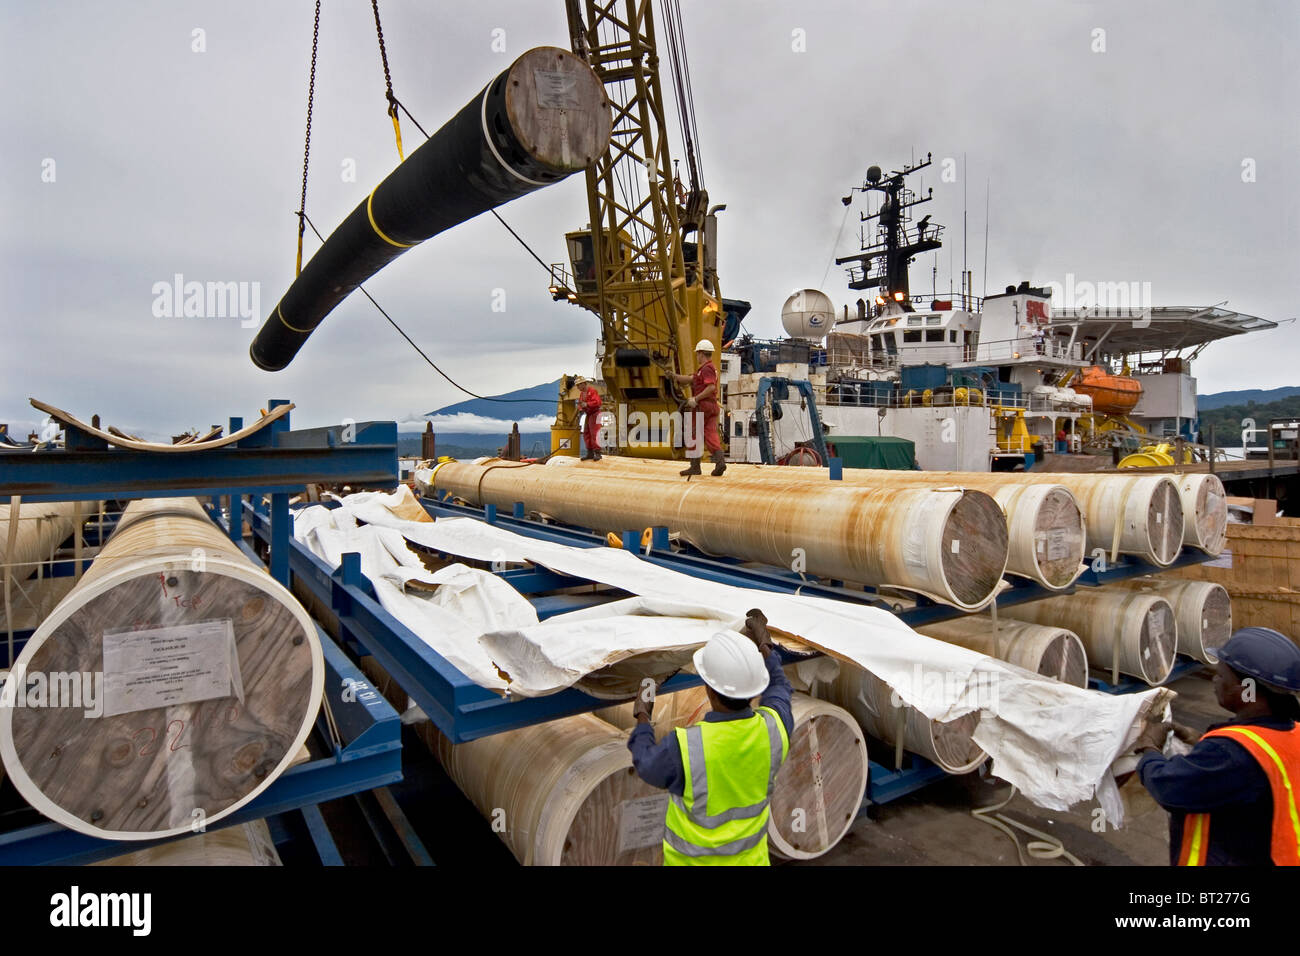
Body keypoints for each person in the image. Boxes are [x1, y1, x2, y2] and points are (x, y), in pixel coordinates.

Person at [628, 609, 792, 865]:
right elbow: (780, 689)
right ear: (753, 689)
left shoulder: (685, 748)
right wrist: (764, 646)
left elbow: (647, 764)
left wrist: (642, 717)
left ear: (709, 689)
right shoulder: (774, 731)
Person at [1135, 626, 1300, 866]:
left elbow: (1169, 787)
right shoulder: (1290, 731)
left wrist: (1149, 748)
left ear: (1248, 690)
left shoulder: (1231, 754)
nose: (1214, 680)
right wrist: (1202, 739)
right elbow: (1254, 768)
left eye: (1221, 675)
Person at [671, 338, 725, 477]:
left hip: (703, 406)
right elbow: (690, 379)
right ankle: (720, 462)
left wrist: (696, 399)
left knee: (693, 434)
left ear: (701, 353)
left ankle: (695, 467)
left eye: (697, 354)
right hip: (712, 407)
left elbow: (711, 387)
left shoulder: (707, 369)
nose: (697, 356)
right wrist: (673, 376)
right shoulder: (705, 370)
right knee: (711, 434)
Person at [577, 377, 602, 461]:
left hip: (595, 414)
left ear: (584, 383)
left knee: (594, 433)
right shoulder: (582, 394)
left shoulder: (592, 391)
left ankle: (597, 453)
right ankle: (590, 453)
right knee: (586, 433)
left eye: (579, 385)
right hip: (588, 415)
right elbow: (581, 404)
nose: (578, 387)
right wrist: (581, 408)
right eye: (577, 385)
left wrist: (587, 404)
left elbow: (597, 402)